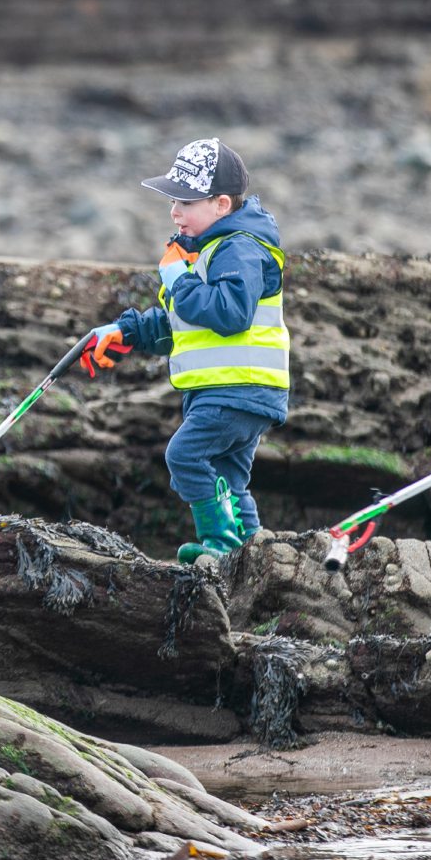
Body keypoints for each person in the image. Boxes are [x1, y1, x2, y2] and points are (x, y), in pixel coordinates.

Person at [79, 138, 289, 563]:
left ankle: (220, 544)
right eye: (173, 201)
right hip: (229, 390)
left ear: (222, 205)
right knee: (229, 479)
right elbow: (184, 322)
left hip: (239, 388)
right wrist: (126, 331)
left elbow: (229, 313)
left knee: (184, 455)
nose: (175, 212)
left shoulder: (240, 248)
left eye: (186, 201)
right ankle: (254, 553)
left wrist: (178, 279)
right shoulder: (207, 252)